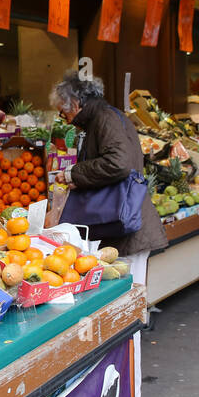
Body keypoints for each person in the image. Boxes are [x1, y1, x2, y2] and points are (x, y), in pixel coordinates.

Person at [51, 71, 167, 282]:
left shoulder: (105, 118)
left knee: (130, 293)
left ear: (75, 103)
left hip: (127, 224)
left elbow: (118, 163)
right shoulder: (101, 118)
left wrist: (73, 174)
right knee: (126, 293)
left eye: (62, 113)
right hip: (121, 220)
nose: (65, 119)